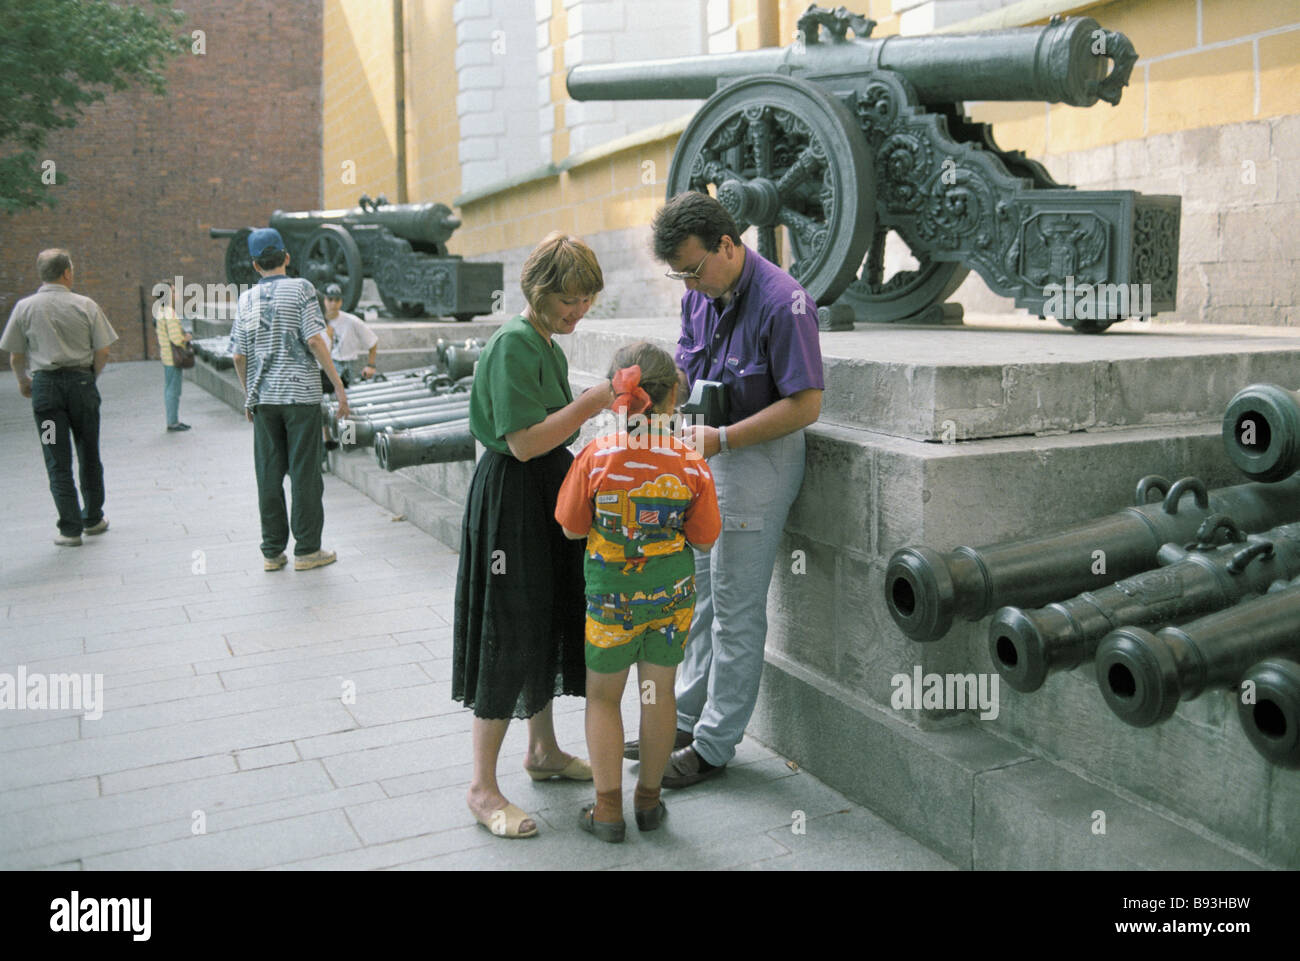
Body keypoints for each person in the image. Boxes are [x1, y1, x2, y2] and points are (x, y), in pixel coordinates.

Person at [636, 191, 825, 788]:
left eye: (694, 269)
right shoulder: (702, 294)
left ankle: (715, 746)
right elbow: (689, 370)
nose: (689, 285)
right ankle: (685, 719)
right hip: (708, 453)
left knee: (737, 611)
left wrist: (723, 440)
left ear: (727, 243)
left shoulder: (785, 302)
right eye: (679, 275)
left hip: (757, 458)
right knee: (702, 603)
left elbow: (806, 406)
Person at [453, 231, 615, 839]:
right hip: (513, 502)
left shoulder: (543, 340)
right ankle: (481, 788)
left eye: (587, 302)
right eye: (570, 301)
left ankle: (542, 752)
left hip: (542, 497)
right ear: (542, 293)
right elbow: (523, 442)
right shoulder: (514, 345)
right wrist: (594, 402)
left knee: (542, 620)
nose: (579, 312)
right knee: (511, 629)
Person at [555, 341, 721, 841]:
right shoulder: (690, 463)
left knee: (604, 700)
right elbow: (705, 537)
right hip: (669, 603)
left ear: (614, 394)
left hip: (610, 603)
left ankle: (607, 811)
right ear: (675, 395)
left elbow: (569, 528)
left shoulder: (595, 456)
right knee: (657, 694)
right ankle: (648, 803)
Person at [230, 227, 350, 572]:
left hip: (264, 400)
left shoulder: (246, 300)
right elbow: (314, 339)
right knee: (305, 473)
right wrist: (338, 385)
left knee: (268, 474)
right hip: (301, 398)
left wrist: (248, 395)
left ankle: (272, 552)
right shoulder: (301, 289)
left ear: (255, 265)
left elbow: (238, 356)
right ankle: (308, 550)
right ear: (286, 257)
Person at [0, 249, 117, 546]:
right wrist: (90, 376)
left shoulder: (24, 307)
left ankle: (69, 528)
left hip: (47, 394)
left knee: (56, 456)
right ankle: (93, 517)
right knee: (88, 451)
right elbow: (103, 351)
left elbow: (15, 356)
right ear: (66, 272)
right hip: (81, 388)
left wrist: (24, 381)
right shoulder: (85, 305)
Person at [155, 279, 194, 431]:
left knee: (170, 388)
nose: (176, 293)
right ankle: (173, 422)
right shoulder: (169, 312)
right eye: (173, 291)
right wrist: (187, 337)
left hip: (167, 356)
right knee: (173, 390)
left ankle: (173, 420)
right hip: (173, 357)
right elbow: (176, 339)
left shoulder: (161, 310)